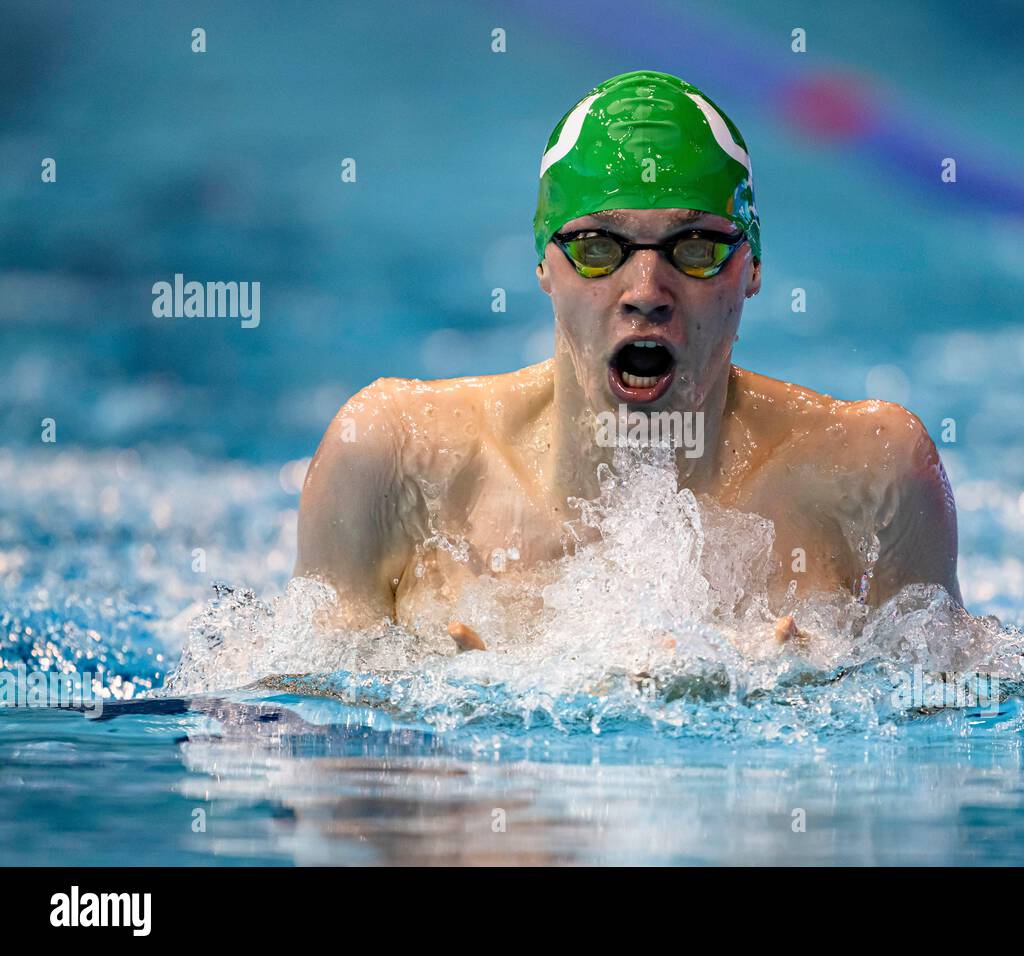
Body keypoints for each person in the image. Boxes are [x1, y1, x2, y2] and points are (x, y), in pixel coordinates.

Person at [295, 69, 961, 652]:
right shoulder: (391, 458)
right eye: (597, 247)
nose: (646, 294)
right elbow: (284, 729)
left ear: (753, 267)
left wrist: (809, 695)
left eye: (696, 247)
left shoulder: (874, 476)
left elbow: (962, 725)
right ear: (543, 267)